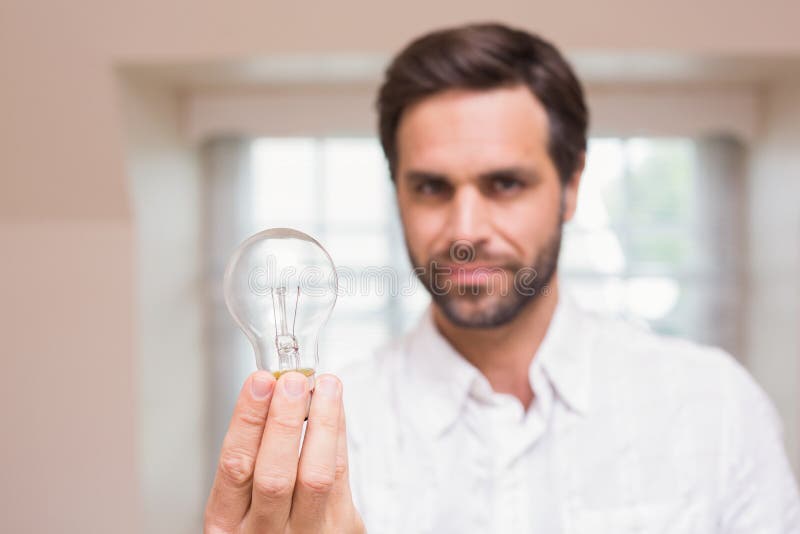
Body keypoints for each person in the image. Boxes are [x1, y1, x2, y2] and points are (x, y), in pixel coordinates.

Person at [203, 23, 800, 533]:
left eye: (504, 184)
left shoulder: (714, 409)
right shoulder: (322, 447)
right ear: (398, 193)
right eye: (432, 187)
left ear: (570, 187)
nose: (465, 230)